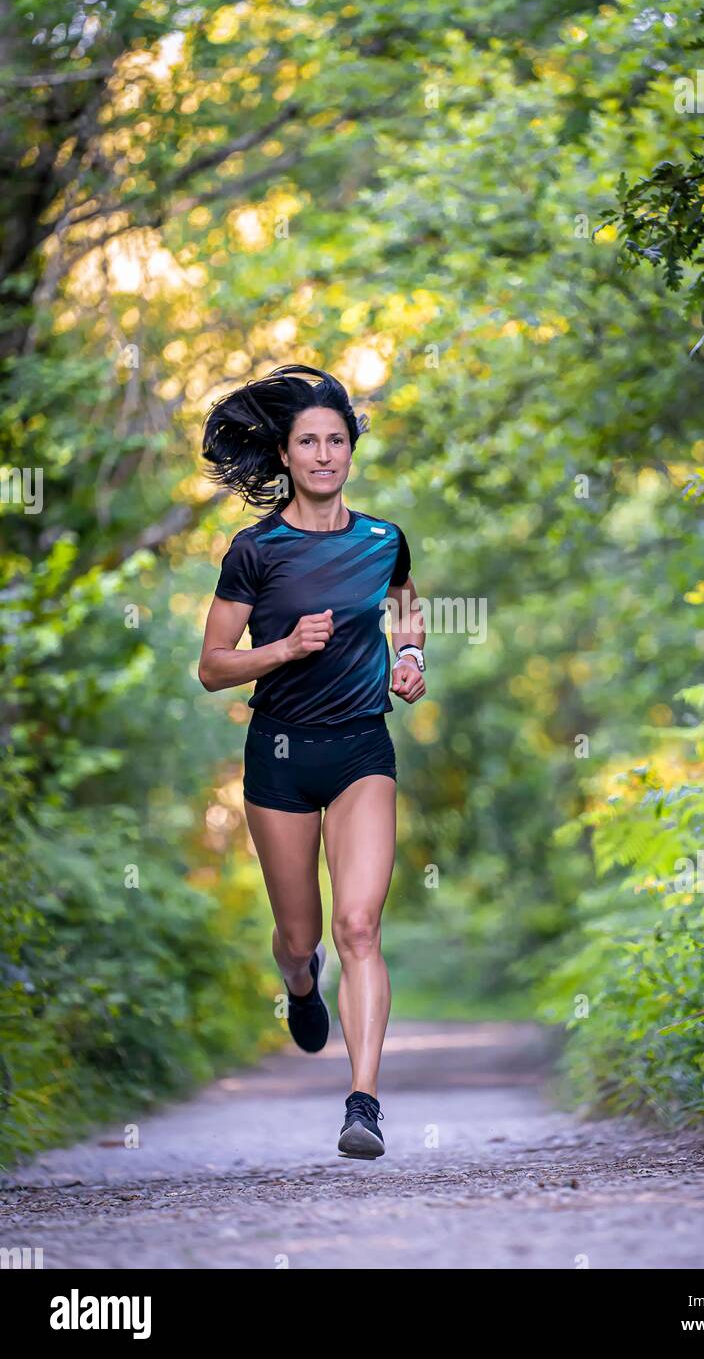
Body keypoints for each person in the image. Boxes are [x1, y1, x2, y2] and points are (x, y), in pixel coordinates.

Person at [197, 364, 426, 1158]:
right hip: (281, 758)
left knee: (360, 925)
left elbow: (404, 608)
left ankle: (362, 1104)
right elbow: (213, 665)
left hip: (362, 746)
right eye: (309, 442)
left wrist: (411, 657)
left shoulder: (383, 540)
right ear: (287, 457)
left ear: (350, 451)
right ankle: (299, 980)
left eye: (336, 440)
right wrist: (286, 648)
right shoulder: (256, 552)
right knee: (301, 937)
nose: (324, 454)